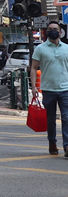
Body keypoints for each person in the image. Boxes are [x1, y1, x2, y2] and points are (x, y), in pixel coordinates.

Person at [30, 21, 68, 157]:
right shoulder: (40, 48)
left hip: (65, 89)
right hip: (48, 89)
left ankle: (67, 146)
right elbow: (33, 68)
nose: (53, 31)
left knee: (66, 117)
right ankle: (52, 142)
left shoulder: (66, 48)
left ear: (60, 32)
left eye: (55, 29)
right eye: (50, 29)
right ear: (47, 31)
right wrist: (34, 86)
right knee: (50, 119)